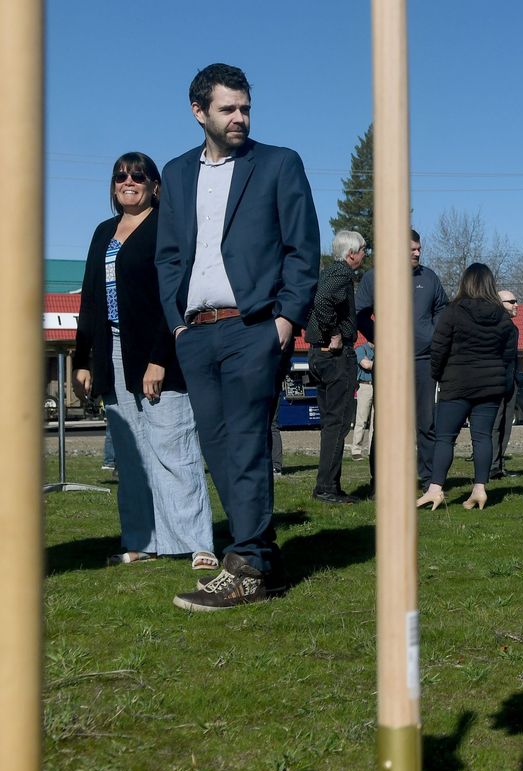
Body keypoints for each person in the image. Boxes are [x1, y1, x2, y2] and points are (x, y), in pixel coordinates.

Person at [156, 63, 320, 611]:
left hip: (254, 328)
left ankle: (246, 564)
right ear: (198, 112)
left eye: (245, 108)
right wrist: (177, 325)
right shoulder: (177, 173)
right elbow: (168, 257)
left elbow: (302, 251)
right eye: (227, 108)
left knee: (248, 443)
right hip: (196, 332)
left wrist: (284, 321)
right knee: (218, 447)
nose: (240, 117)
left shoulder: (278, 164)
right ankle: (262, 560)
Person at [73, 151, 215, 570]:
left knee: (173, 445)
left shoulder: (166, 228)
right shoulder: (103, 233)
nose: (128, 182)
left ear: (155, 185)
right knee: (131, 452)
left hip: (157, 350)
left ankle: (196, 542)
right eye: (120, 176)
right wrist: (82, 358)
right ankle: (142, 541)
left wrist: (159, 358)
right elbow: (90, 300)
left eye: (138, 175)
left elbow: (174, 297)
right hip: (112, 350)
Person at [416, 264, 517, 510]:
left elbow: (439, 347)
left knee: (445, 438)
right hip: (489, 387)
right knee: (482, 438)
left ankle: (435, 489)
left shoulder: (453, 312)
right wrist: (502, 384)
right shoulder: (503, 317)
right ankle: (480, 489)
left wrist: (438, 375)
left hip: (456, 384)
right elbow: (508, 357)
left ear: (466, 283)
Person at [355, 229, 447, 489]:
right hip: (389, 362)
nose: (417, 253)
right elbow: (360, 314)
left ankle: (429, 481)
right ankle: (381, 482)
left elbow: (443, 308)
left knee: (426, 423)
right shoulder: (374, 278)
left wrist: (432, 333)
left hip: (423, 360)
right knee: (386, 425)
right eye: (411, 249)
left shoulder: (429, 277)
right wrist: (381, 338)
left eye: (419, 249)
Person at [305, 230, 366, 504]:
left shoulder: (327, 272)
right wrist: (334, 333)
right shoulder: (342, 274)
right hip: (335, 357)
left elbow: (314, 302)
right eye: (363, 249)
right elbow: (322, 301)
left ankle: (329, 485)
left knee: (330, 423)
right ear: (351, 254)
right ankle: (327, 488)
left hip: (318, 356)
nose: (365, 254)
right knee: (338, 422)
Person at [489, 290, 520, 480]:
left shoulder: (512, 327)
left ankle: (498, 465)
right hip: (497, 382)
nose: (516, 305)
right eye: (511, 301)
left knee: (506, 425)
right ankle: (491, 466)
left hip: (510, 382)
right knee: (495, 425)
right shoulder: (494, 326)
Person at [350, 340, 375, 460]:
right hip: (365, 386)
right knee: (362, 420)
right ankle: (356, 450)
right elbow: (366, 365)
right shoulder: (361, 349)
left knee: (376, 422)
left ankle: (372, 450)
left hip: (379, 385)